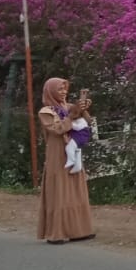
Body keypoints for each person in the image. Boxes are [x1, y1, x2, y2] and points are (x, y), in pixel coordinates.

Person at [37, 77, 95, 245]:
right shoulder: (46, 112)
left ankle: (79, 231)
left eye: (65, 89)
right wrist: (72, 115)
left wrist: (82, 110)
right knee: (59, 190)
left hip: (74, 152)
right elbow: (58, 129)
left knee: (76, 189)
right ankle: (56, 233)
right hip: (57, 154)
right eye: (60, 89)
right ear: (51, 92)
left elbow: (87, 122)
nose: (63, 92)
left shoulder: (69, 107)